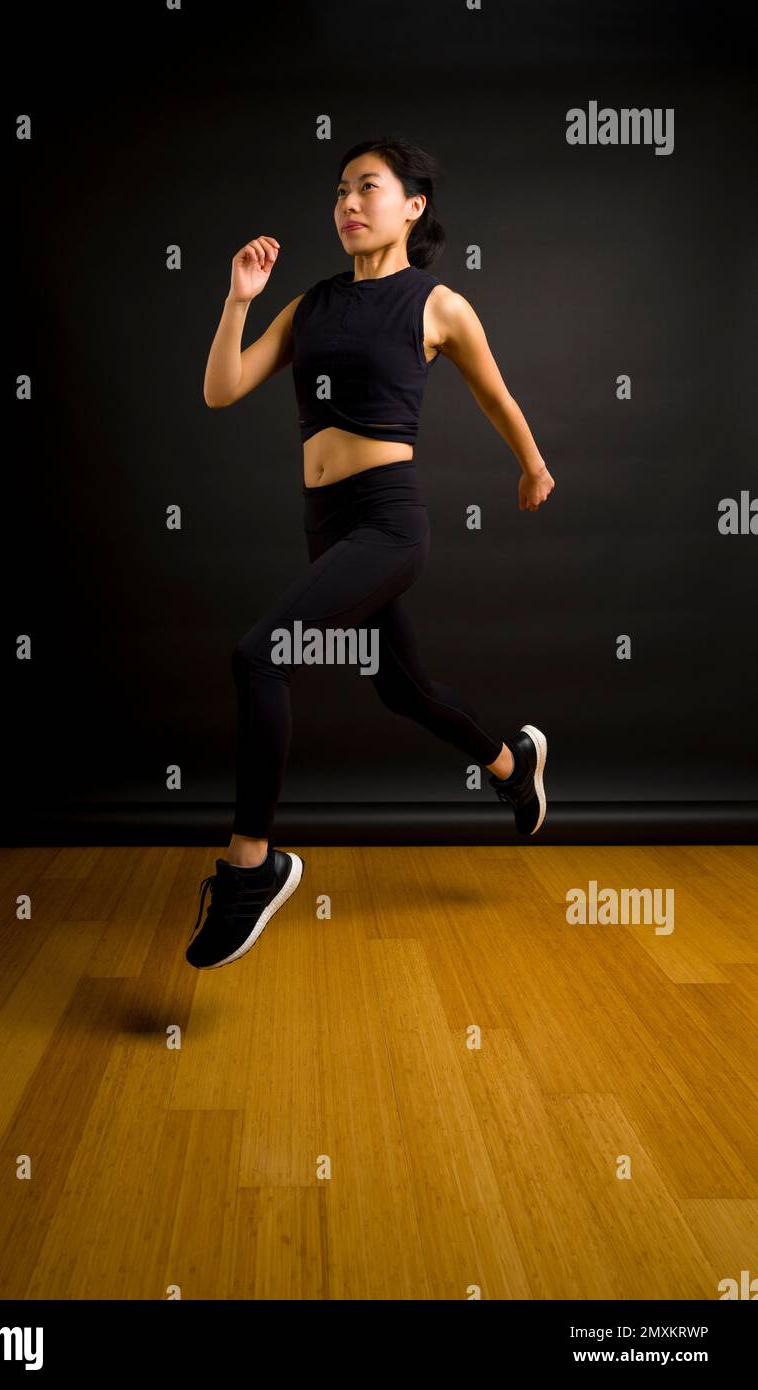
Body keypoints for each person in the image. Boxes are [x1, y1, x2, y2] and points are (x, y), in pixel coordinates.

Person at [187, 134, 555, 970]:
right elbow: (221, 389)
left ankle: (251, 869)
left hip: (388, 523)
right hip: (326, 520)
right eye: (340, 192)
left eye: (368, 188)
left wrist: (533, 465)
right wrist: (240, 298)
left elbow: (496, 394)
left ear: (412, 206)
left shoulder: (437, 305)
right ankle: (510, 760)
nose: (348, 204)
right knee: (401, 685)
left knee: (260, 658)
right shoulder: (311, 304)